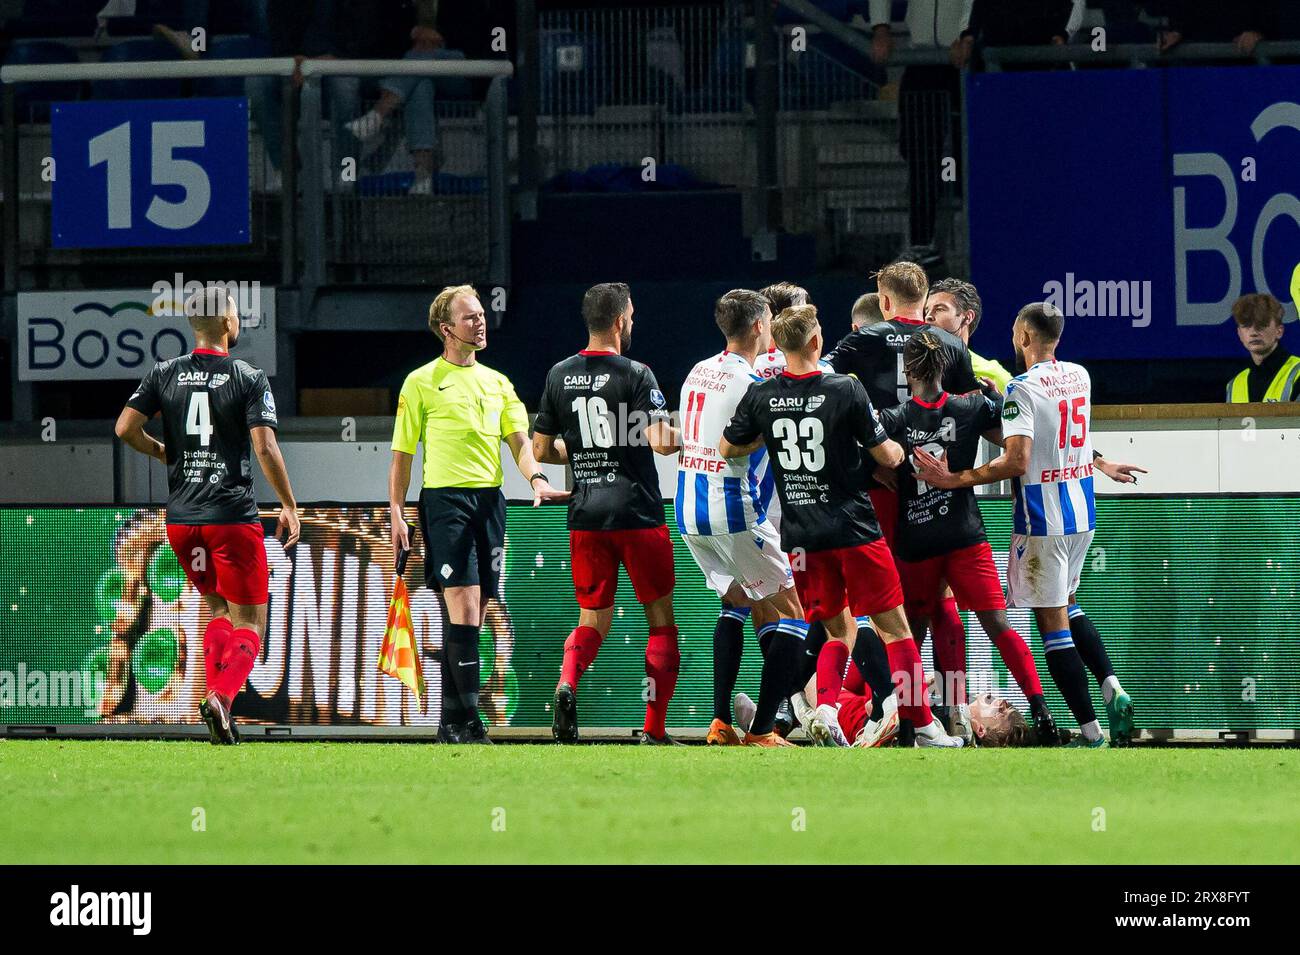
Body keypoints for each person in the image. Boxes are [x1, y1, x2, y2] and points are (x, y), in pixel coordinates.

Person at [720, 304, 964, 747]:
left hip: (799, 535)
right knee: (895, 627)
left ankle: (826, 711)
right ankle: (925, 725)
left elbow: (728, 448)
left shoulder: (762, 396)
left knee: (836, 627)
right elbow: (888, 457)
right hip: (852, 528)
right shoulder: (845, 389)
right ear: (816, 342)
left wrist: (774, 433)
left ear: (780, 345)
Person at [914, 302, 1135, 746]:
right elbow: (1068, 436)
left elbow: (1017, 460)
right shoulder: (1080, 376)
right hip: (1082, 511)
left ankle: (1091, 733)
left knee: (1051, 626)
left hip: (1042, 518)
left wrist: (954, 478)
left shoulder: (1021, 389)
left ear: (1024, 337)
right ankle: (1110, 682)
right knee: (1069, 605)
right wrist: (1102, 462)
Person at [113, 289, 301, 745]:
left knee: (216, 609)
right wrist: (290, 505)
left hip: (180, 521)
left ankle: (220, 705)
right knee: (250, 623)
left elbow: (123, 429)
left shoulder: (163, 373)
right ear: (227, 323)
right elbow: (264, 446)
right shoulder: (248, 377)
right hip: (231, 518)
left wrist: (163, 453)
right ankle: (220, 696)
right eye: (236, 314)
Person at [389, 284, 567, 744]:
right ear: (447, 329)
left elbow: (521, 445)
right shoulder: (421, 381)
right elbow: (402, 455)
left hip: (491, 502)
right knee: (465, 605)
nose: (481, 322)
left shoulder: (499, 383)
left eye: (482, 314)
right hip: (445, 501)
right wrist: (395, 510)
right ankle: (470, 724)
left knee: (473, 610)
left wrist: (537, 480)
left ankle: (450, 723)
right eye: (470, 317)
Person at [879, 331, 1059, 743]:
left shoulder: (893, 419)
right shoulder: (972, 406)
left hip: (917, 541)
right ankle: (1039, 708)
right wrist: (996, 398)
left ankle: (910, 725)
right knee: (999, 626)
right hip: (963, 535)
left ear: (907, 371)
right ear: (945, 368)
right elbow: (1014, 440)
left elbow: (869, 463)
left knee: (913, 635)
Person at [825, 261, 981, 715]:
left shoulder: (862, 339)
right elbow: (969, 410)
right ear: (925, 297)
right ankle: (953, 706)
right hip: (936, 484)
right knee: (941, 596)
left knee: (877, 599)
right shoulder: (951, 344)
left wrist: (869, 456)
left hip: (881, 483)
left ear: (885, 302)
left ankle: (877, 706)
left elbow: (824, 391)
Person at [533, 283, 684, 745]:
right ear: (620, 321)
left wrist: (581, 450)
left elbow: (541, 449)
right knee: (660, 621)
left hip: (586, 515)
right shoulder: (638, 373)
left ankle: (567, 682)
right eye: (632, 316)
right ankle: (654, 731)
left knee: (592, 617)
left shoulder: (559, 374)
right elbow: (660, 441)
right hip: (637, 514)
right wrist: (682, 436)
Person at [678, 290, 804, 747]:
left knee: (735, 602)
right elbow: (744, 441)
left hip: (688, 513)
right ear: (757, 327)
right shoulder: (752, 383)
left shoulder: (698, 370)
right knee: (794, 612)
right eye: (768, 320)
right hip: (731, 510)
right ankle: (765, 729)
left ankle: (719, 722)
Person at [1225, 293, 1300, 402]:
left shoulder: (1297, 372)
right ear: (1239, 334)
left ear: (1279, 331)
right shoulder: (1234, 384)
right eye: (1246, 325)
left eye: (1262, 324)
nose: (1253, 332)